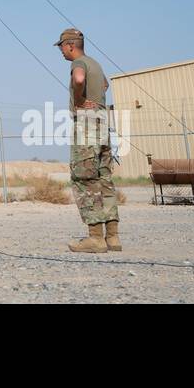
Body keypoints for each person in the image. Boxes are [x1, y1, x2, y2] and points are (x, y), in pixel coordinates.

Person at [57, 28, 121, 253]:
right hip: (103, 123)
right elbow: (104, 85)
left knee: (84, 177)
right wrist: (95, 100)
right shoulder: (96, 63)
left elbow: (79, 79)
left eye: (62, 47)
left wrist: (81, 99)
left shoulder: (79, 64)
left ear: (70, 45)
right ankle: (112, 237)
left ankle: (95, 238)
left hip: (86, 124)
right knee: (104, 178)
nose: (62, 52)